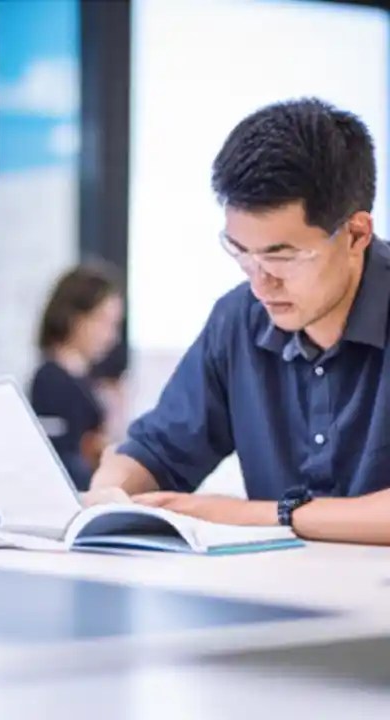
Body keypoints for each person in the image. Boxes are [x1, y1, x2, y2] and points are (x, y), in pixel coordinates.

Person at [89, 97, 390, 546]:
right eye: (240, 252)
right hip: (288, 605)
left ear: (356, 235)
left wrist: (256, 515)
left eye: (282, 256)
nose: (261, 283)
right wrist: (108, 496)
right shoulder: (239, 321)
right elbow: (155, 453)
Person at [29, 263, 124, 490]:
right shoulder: (51, 380)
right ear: (74, 317)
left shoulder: (88, 378)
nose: (110, 335)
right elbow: (61, 459)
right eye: (103, 321)